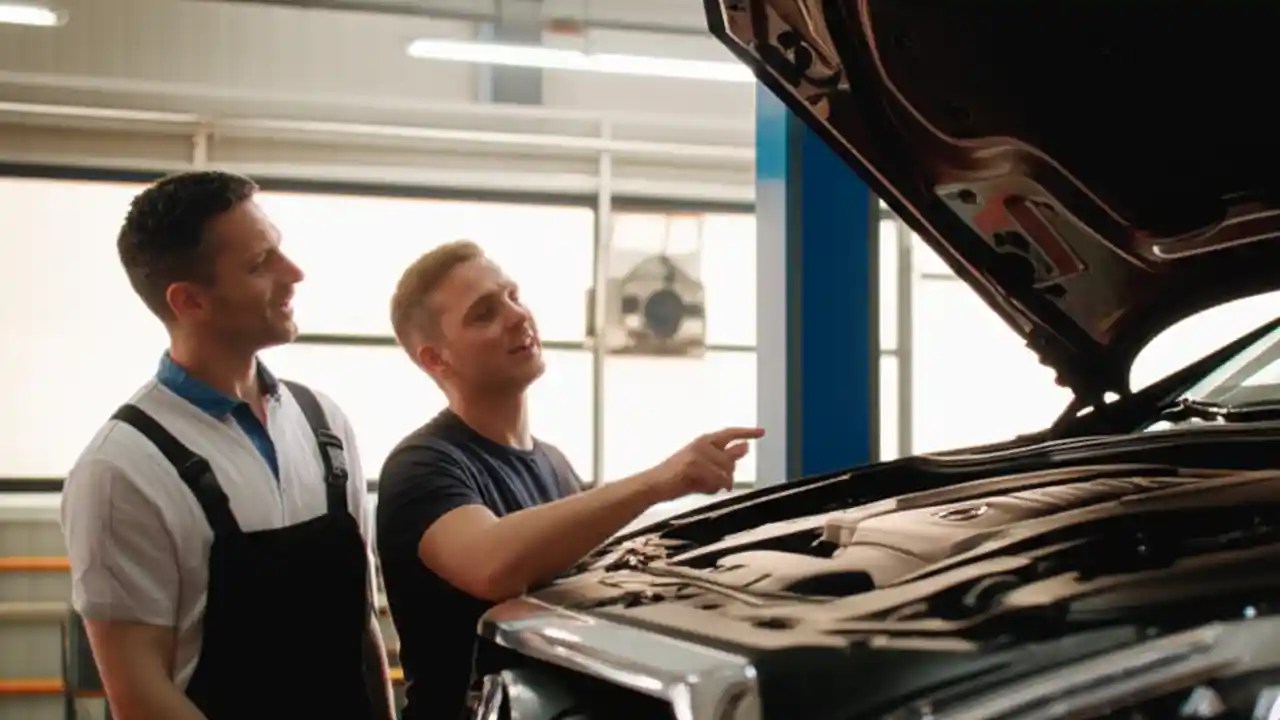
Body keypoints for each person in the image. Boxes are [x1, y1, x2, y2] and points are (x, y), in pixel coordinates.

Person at [376, 240, 764, 720]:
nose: (518, 316)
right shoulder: (423, 465)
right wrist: (658, 481)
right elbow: (491, 564)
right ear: (436, 360)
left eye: (513, 295)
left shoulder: (554, 465)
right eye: (484, 314)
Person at [59, 171, 395, 720]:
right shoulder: (121, 469)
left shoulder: (324, 426)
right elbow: (140, 695)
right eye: (260, 264)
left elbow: (358, 628)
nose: (295, 274)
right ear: (189, 300)